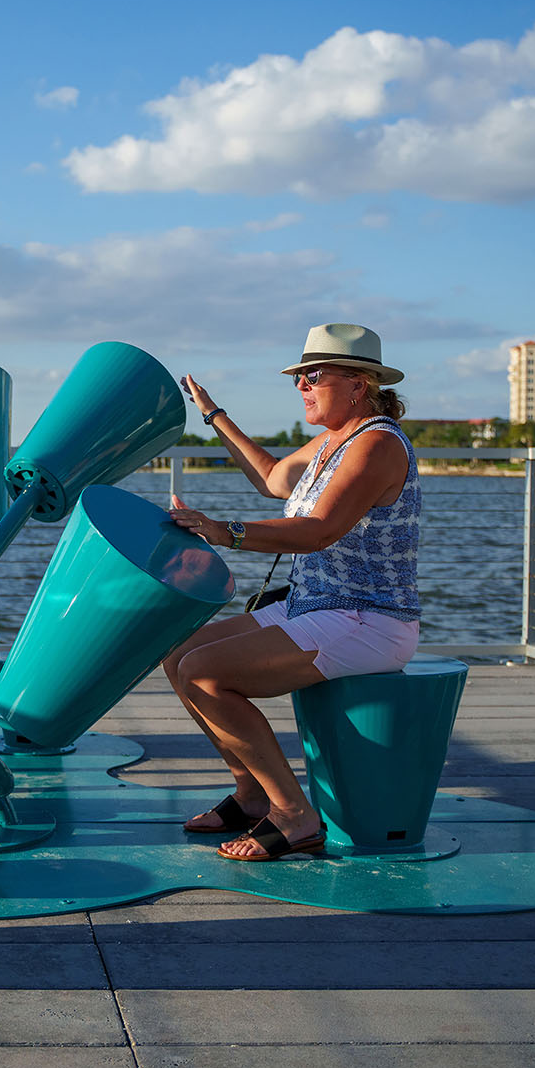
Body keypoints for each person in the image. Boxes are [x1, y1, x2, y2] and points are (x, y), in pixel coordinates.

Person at [164, 323, 420, 861]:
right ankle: (252, 792)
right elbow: (274, 478)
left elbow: (317, 530)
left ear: (359, 384)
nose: (302, 385)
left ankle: (295, 815)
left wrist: (225, 531)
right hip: (313, 604)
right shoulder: (334, 440)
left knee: (204, 673)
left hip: (369, 618)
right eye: (299, 377)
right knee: (177, 656)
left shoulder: (375, 444)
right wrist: (214, 415)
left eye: (313, 376)